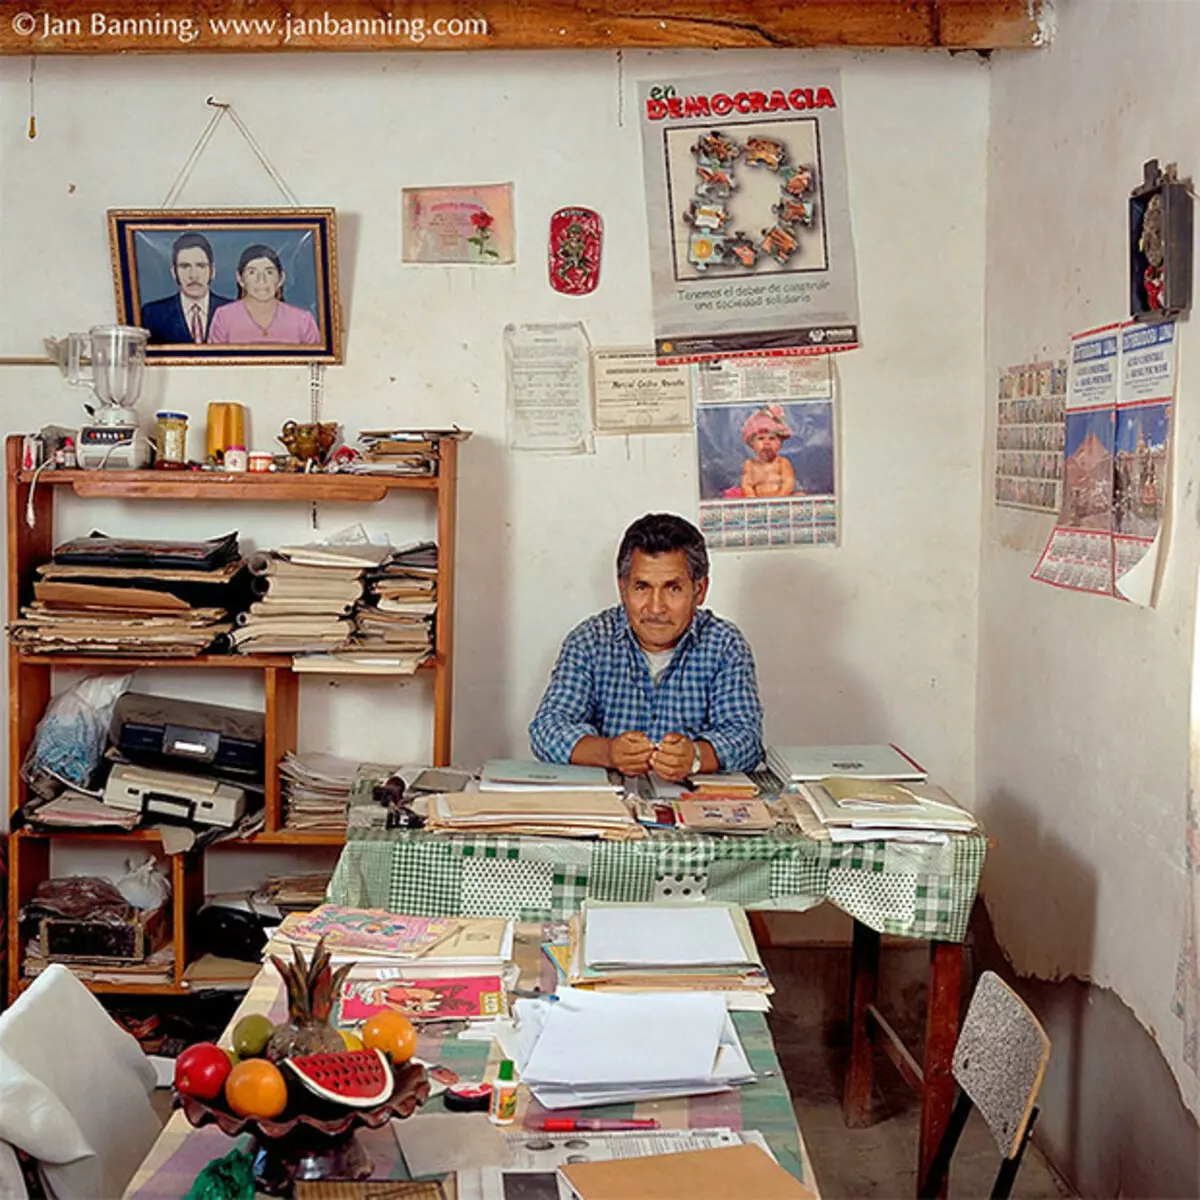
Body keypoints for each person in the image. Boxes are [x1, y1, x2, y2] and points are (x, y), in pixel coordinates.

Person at [529, 513, 763, 780]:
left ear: (699, 591)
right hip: (609, 809)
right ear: (622, 589)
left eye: (672, 588)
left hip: (694, 811)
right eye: (641, 587)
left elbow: (747, 739)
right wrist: (608, 752)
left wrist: (696, 757)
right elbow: (546, 729)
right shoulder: (589, 641)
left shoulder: (725, 645)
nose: (655, 608)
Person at [207, 244, 321, 345]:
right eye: (252, 272)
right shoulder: (224, 317)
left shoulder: (303, 321)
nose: (261, 280)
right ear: (240, 278)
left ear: (281, 278)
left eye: (269, 272)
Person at [138, 233, 233, 345]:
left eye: (201, 266)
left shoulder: (233, 311)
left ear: (212, 271)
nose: (193, 275)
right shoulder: (153, 314)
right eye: (185, 266)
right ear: (174, 272)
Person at [740, 405, 797, 497]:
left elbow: (788, 484)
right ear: (752, 444)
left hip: (779, 500)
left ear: (780, 443)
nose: (767, 442)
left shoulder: (782, 463)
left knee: (799, 495)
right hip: (758, 502)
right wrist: (754, 501)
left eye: (772, 438)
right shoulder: (749, 464)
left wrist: (778, 500)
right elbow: (746, 486)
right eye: (761, 438)